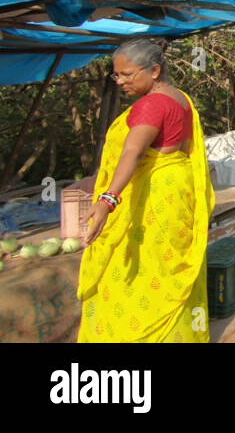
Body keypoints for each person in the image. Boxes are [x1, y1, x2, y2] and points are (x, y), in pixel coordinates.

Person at [77, 38, 214, 343]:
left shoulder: (152, 105)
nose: (120, 82)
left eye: (128, 75)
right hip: (178, 192)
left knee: (138, 273)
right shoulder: (179, 98)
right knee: (169, 272)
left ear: (154, 70)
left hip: (155, 200)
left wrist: (107, 200)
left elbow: (133, 153)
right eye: (117, 75)